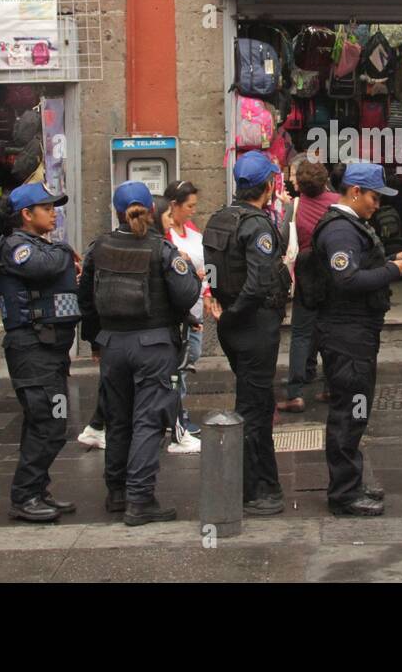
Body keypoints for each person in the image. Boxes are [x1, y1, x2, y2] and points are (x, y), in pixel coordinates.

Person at [79, 181, 201, 525]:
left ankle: (117, 494)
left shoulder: (98, 248)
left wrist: (95, 343)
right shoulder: (162, 250)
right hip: (154, 347)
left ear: (115, 212)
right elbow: (187, 294)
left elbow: (86, 301)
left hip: (113, 346)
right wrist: (187, 265)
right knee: (148, 421)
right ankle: (140, 499)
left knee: (118, 421)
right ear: (151, 210)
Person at [306, 162, 402, 516]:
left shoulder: (350, 227)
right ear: (354, 191)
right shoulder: (340, 231)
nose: (377, 205)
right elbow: (347, 280)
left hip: (354, 333)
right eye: (373, 197)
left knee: (355, 412)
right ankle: (344, 494)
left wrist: (390, 261)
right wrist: (390, 272)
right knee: (348, 414)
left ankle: (351, 482)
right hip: (346, 335)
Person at [203, 151, 293, 516]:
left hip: (234, 323)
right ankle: (256, 489)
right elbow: (258, 283)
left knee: (255, 401)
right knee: (254, 408)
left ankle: (260, 483)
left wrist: (219, 305)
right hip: (252, 324)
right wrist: (234, 315)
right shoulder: (255, 226)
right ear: (269, 185)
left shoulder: (217, 220)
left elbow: (209, 270)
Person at [0, 183, 82, 523]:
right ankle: (25, 495)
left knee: (44, 421)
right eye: (47, 208)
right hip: (32, 349)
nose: (54, 212)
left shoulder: (41, 246)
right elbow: (43, 267)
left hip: (49, 348)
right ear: (27, 215)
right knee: (50, 422)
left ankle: (36, 489)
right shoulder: (18, 247)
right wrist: (64, 252)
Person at [278, 157, 340, 412]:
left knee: (301, 334)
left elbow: (283, 239)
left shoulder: (295, 206)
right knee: (331, 333)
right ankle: (330, 388)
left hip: (306, 275)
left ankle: (295, 393)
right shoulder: (338, 203)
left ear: (300, 186)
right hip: (334, 275)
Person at [160, 179, 206, 454]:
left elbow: (206, 263)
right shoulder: (165, 235)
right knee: (179, 364)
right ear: (173, 205)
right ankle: (177, 416)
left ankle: (176, 411)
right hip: (179, 312)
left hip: (197, 304)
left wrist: (209, 293)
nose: (192, 211)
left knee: (190, 358)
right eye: (189, 206)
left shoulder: (191, 229)